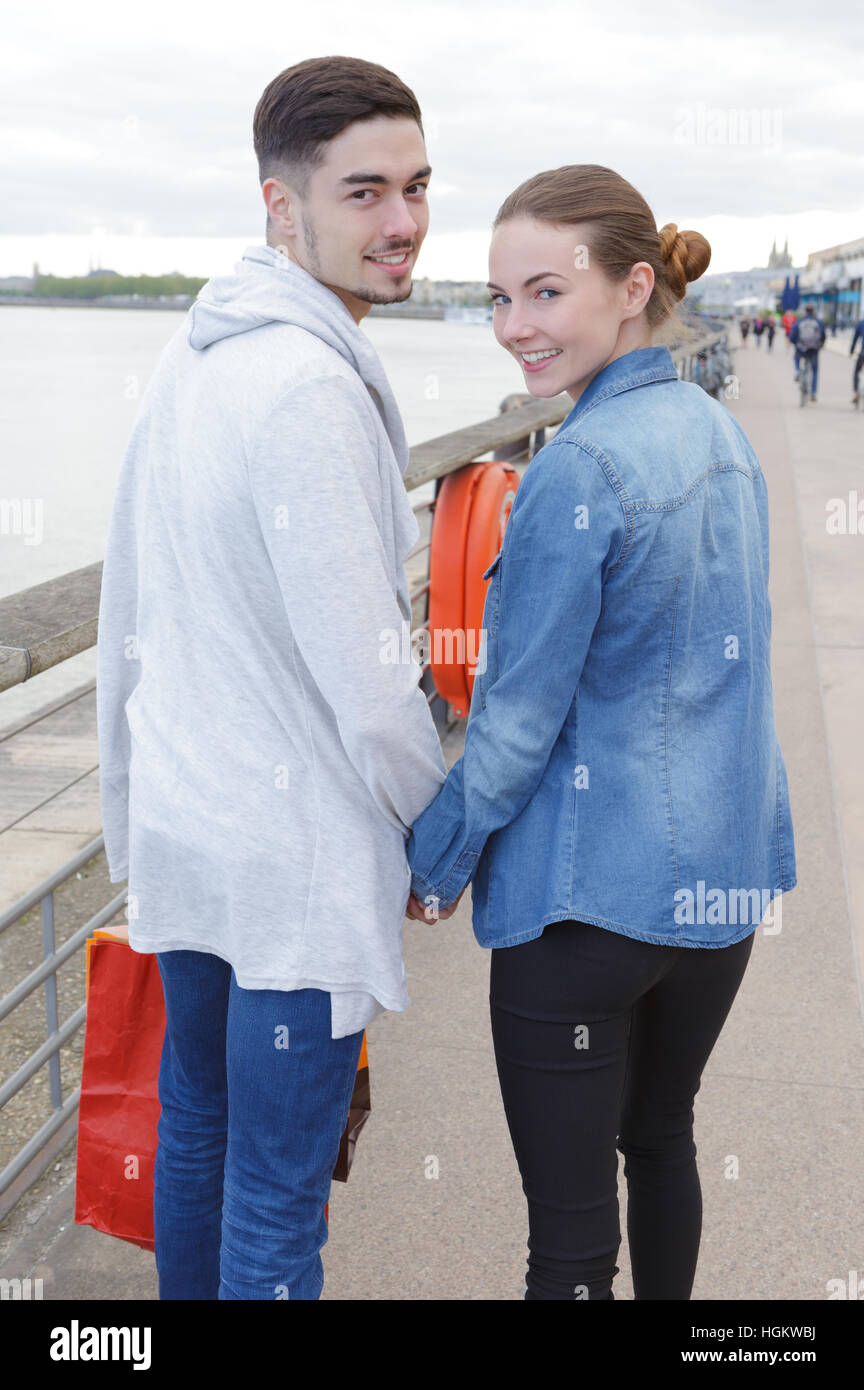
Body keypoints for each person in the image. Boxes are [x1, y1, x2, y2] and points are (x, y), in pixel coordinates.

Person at [406, 164, 797, 1300]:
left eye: (544, 293)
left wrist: (429, 864)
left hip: (586, 907)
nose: (513, 327)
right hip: (716, 893)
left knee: (570, 1244)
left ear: (632, 289)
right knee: (662, 1137)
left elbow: (513, 727)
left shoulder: (577, 466)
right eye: (499, 298)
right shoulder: (718, 433)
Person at [96, 54, 448, 1299]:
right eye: (364, 192)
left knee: (198, 1130)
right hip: (288, 868)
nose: (402, 221)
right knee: (275, 1196)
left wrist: (128, 805)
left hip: (193, 832)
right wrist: (433, 830)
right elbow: (372, 679)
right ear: (279, 205)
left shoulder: (194, 356)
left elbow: (127, 601)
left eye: (416, 186)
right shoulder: (303, 385)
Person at [789, 305, 825, 400]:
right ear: (813, 312)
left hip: (801, 349)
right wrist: (820, 346)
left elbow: (792, 337)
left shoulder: (799, 322)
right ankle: (813, 393)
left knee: (796, 357)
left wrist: (797, 344)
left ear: (805, 311)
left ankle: (797, 371)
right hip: (813, 350)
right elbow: (823, 336)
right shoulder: (818, 322)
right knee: (815, 370)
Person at [850, 310, 864, 405]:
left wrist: (851, 351)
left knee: (857, 372)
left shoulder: (861, 323)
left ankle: (856, 393)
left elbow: (855, 338)